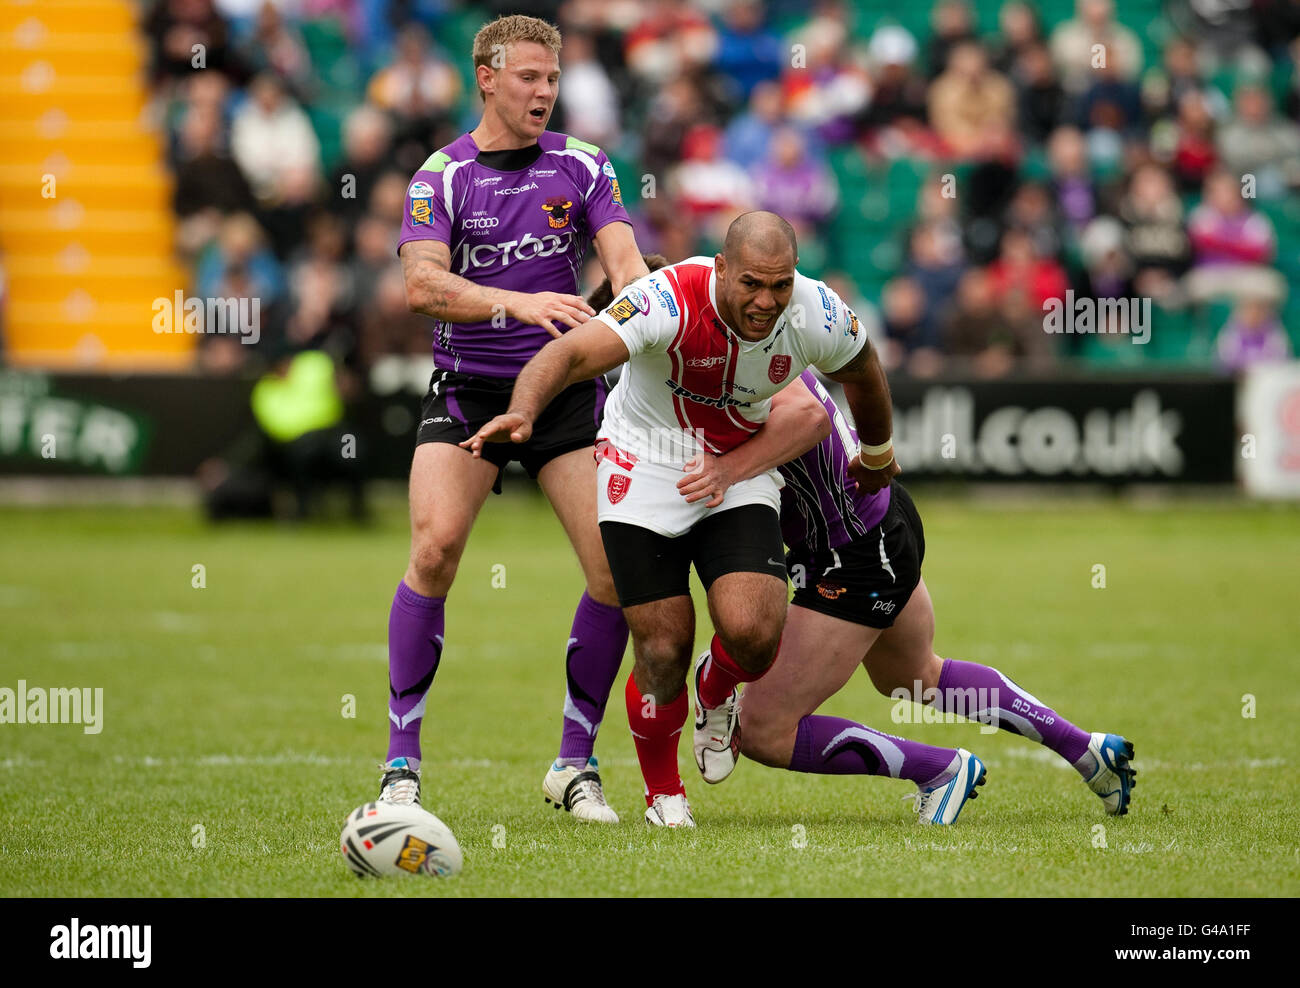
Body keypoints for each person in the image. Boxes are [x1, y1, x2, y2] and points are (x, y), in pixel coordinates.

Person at [462, 211, 897, 827]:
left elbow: (865, 371)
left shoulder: (816, 311)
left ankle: (715, 690)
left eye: (780, 284)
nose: (767, 301)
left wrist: (876, 452)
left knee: (754, 632)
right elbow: (566, 354)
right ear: (721, 268)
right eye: (751, 284)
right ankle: (663, 793)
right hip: (643, 463)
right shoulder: (663, 301)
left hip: (732, 465)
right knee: (662, 644)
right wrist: (524, 412)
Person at [378, 14, 649, 824]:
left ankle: (574, 766)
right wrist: (518, 301)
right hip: (467, 389)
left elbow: (627, 265)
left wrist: (639, 308)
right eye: (528, 77)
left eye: (553, 79)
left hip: (565, 393)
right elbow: (423, 288)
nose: (544, 92)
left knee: (613, 575)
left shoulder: (585, 165)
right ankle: (400, 767)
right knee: (433, 550)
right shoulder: (439, 177)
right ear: (487, 78)